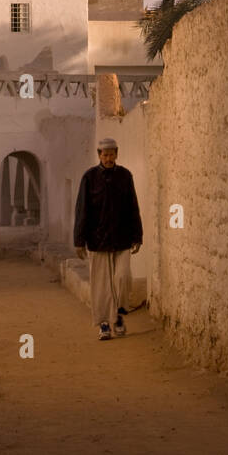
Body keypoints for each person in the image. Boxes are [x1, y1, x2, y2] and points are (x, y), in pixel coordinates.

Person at [73, 138, 142, 340]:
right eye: (105, 154)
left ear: (116, 155)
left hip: (122, 238)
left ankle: (119, 315)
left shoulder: (125, 176)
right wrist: (79, 240)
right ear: (99, 155)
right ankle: (104, 323)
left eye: (111, 154)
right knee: (101, 285)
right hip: (97, 239)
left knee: (122, 278)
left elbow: (133, 208)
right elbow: (81, 210)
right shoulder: (89, 178)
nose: (108, 158)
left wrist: (137, 236)